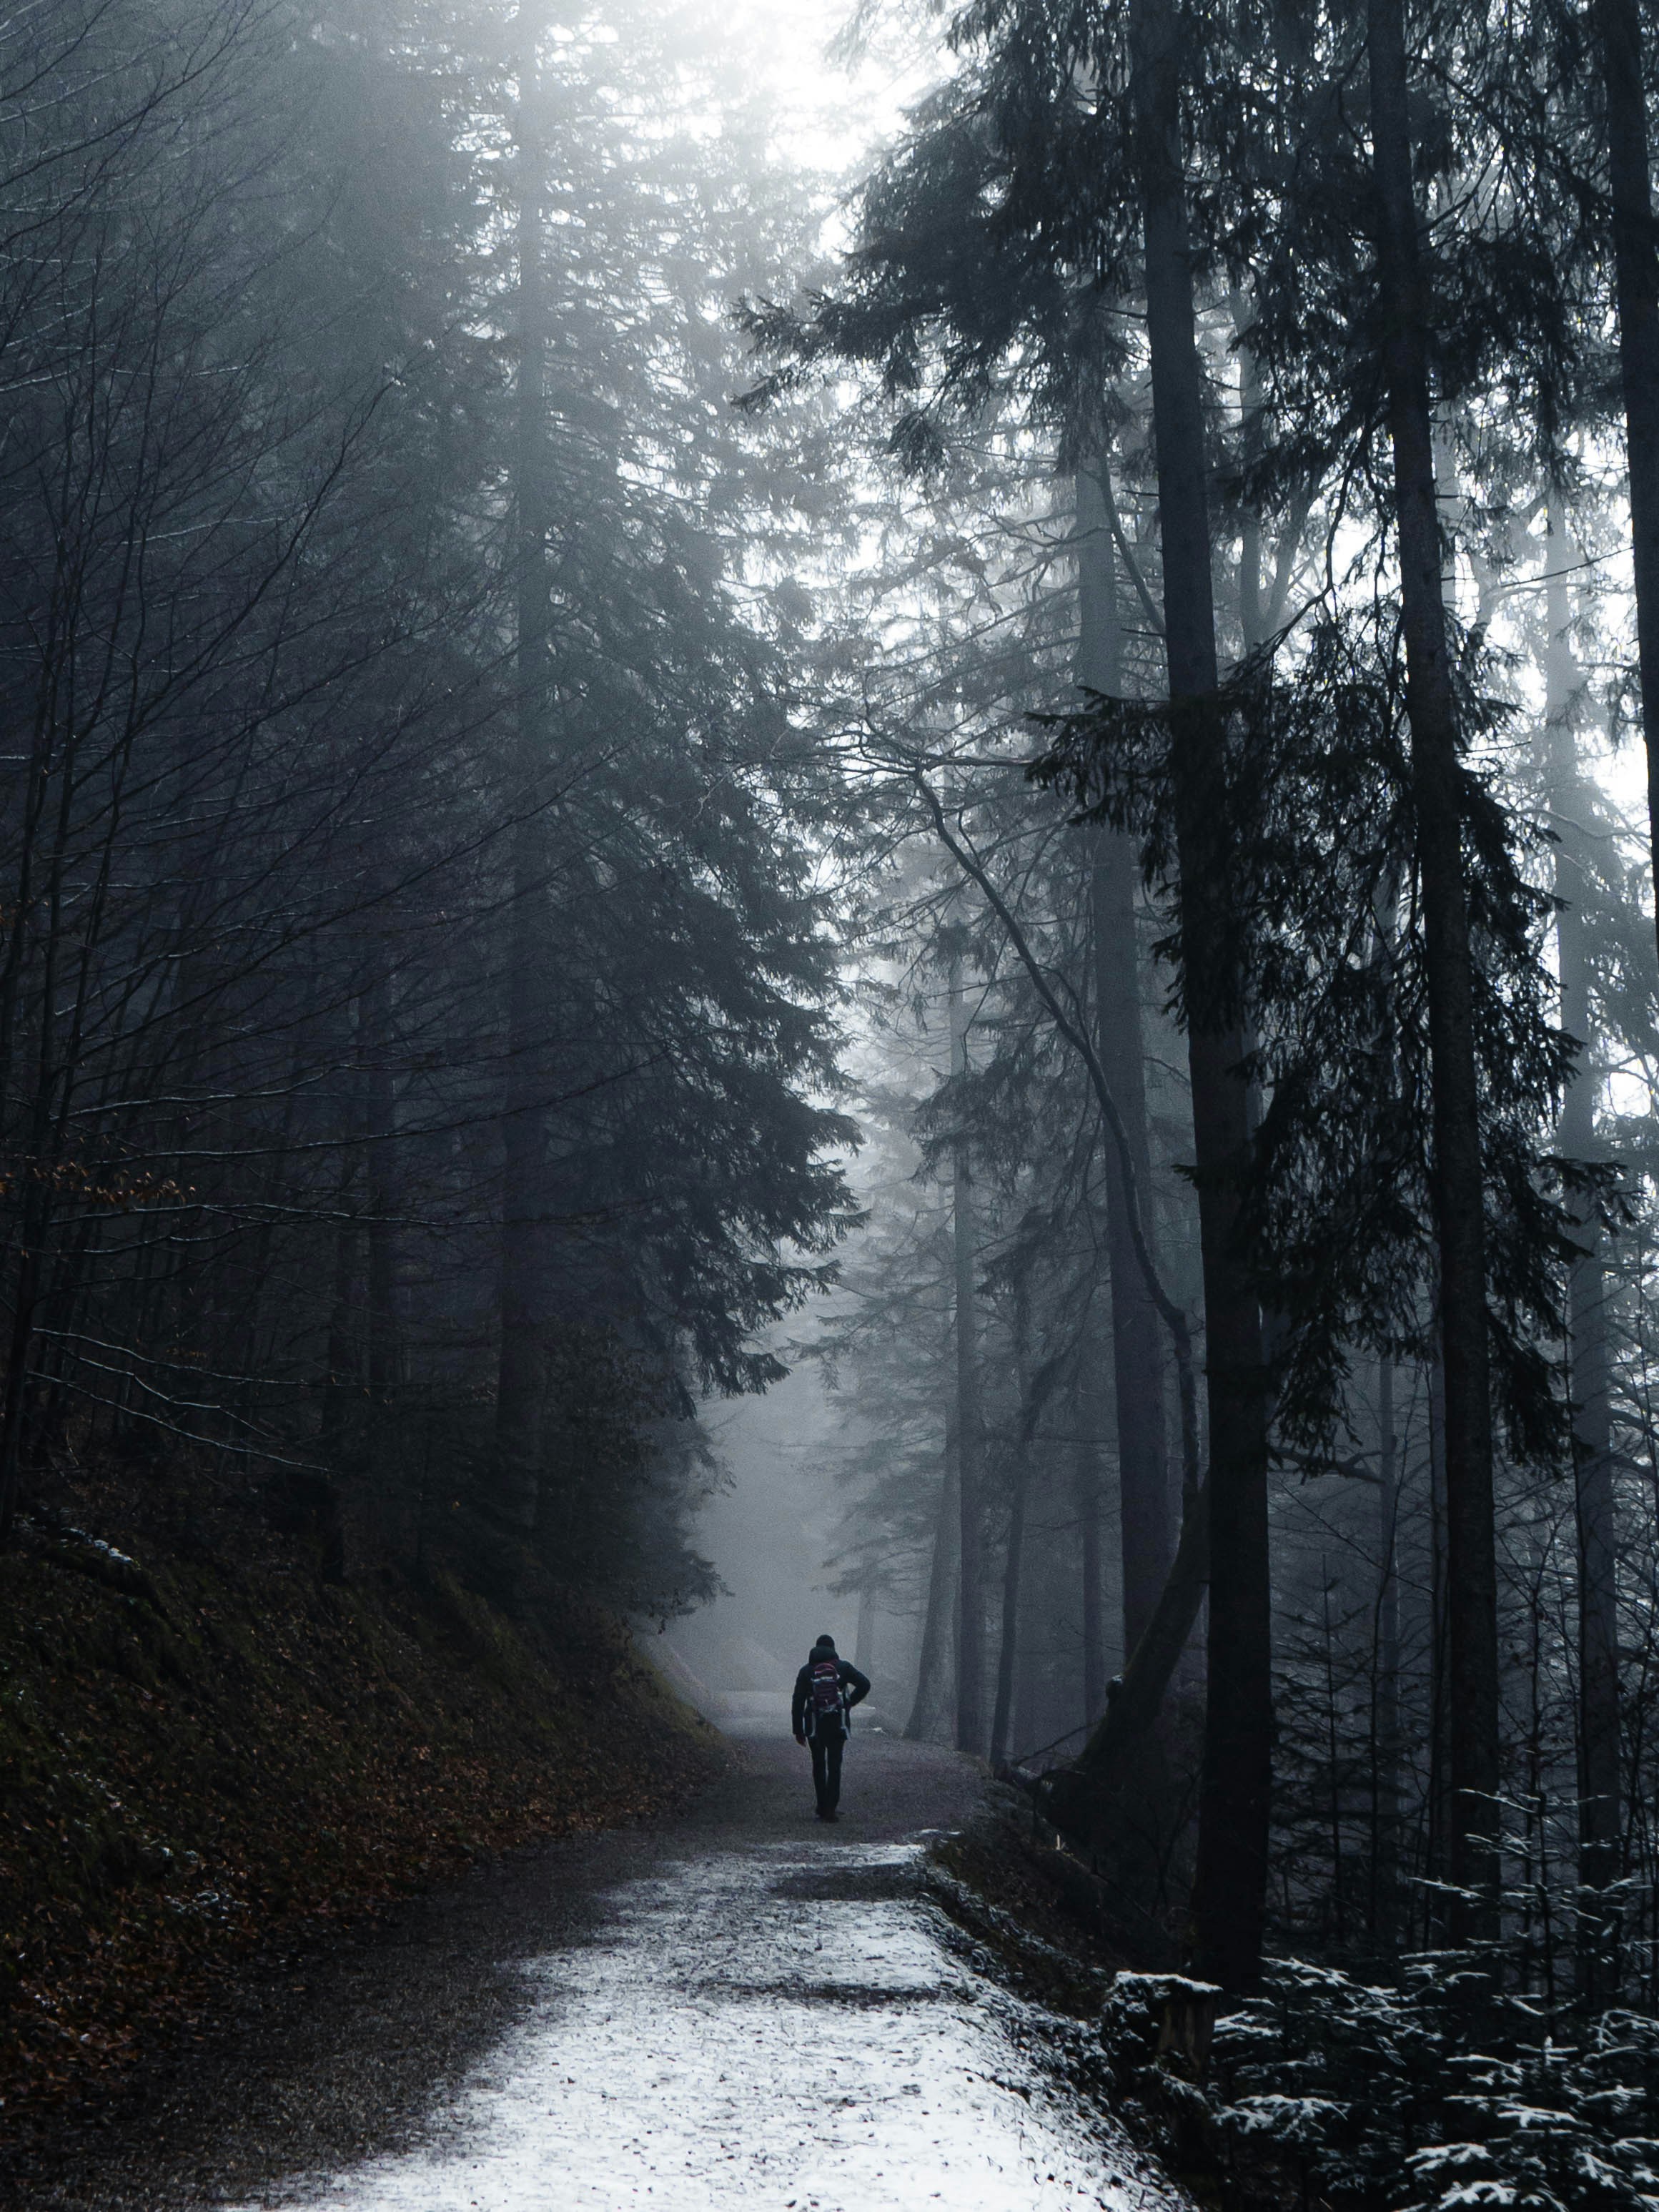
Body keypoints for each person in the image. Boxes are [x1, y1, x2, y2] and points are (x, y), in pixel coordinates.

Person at [791, 1633, 870, 1822]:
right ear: (833, 1649)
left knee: (818, 1765)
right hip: (837, 1725)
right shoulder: (843, 1667)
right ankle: (831, 1809)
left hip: (814, 1726)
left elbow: (798, 1701)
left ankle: (822, 1805)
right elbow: (865, 1684)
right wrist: (849, 1703)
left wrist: (798, 1730)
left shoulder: (806, 1671)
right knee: (835, 1766)